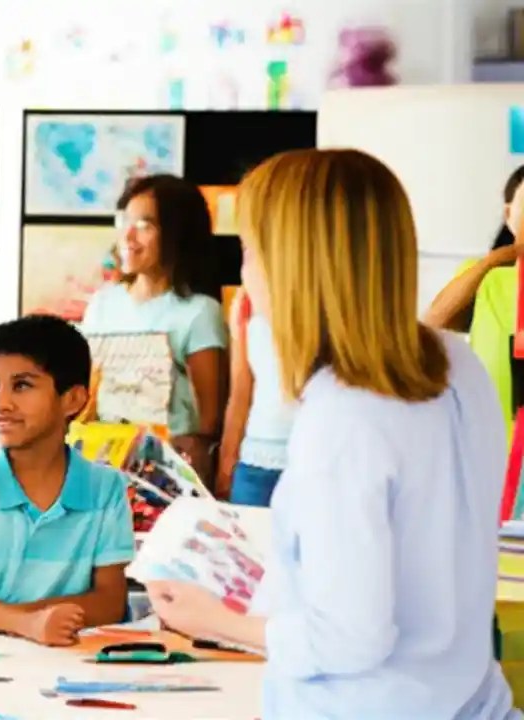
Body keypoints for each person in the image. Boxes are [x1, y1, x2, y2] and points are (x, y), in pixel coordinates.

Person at [147, 149, 519, 719]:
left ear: (292, 263)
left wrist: (215, 621)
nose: (244, 273)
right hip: (469, 700)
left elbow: (350, 638)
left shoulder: (345, 416)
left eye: (249, 252)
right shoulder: (454, 365)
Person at [0, 315, 134, 647]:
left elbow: (110, 601)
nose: (1, 403)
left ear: (72, 400)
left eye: (22, 385)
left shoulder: (106, 491)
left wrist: (23, 621)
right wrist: (29, 624)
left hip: (77, 658)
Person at [79, 175, 227, 482]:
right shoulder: (102, 305)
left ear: (176, 233)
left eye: (145, 225)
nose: (129, 236)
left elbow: (209, 423)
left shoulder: (199, 312)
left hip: (167, 473)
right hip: (102, 464)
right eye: (125, 221)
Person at [424, 165, 524, 437]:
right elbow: (435, 320)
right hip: (496, 444)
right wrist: (493, 261)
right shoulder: (483, 275)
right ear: (508, 215)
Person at [216, 286, 295, 507]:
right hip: (256, 464)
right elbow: (240, 392)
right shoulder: (246, 302)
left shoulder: (333, 287)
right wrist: (226, 463)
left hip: (318, 465)